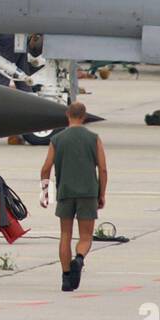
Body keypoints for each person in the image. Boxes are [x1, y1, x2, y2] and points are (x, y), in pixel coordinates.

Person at [39, 102, 107, 291]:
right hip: (88, 192)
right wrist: (101, 193)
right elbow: (102, 168)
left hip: (65, 192)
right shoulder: (93, 138)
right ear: (84, 116)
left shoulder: (57, 139)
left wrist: (45, 192)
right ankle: (79, 259)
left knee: (65, 235)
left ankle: (66, 277)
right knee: (85, 237)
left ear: (67, 114)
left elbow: (45, 168)